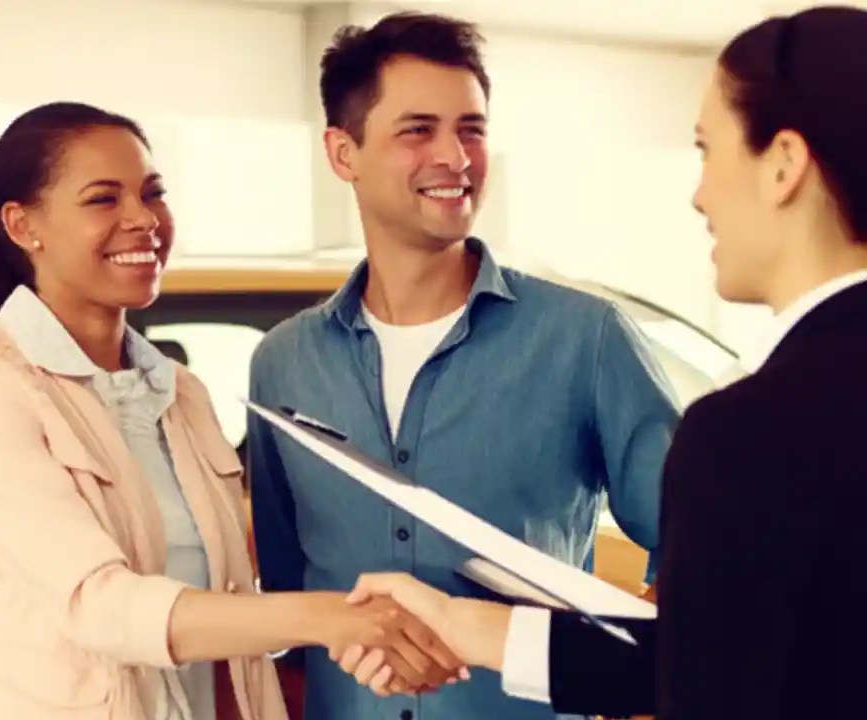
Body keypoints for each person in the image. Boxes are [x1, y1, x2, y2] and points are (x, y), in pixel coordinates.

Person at [339, 6, 867, 719]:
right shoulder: (286, 360)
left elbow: (712, 678)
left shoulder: (749, 436)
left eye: (707, 149)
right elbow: (721, 649)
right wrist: (467, 626)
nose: (698, 193)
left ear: (783, 165)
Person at [0, 101, 462, 720]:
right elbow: (97, 606)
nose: (142, 219)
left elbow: (226, 604)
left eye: (153, 193)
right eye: (103, 199)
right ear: (22, 224)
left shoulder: (178, 392)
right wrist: (329, 617)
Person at [246, 11, 680, 720]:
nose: (456, 155)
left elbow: (693, 541)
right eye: (417, 130)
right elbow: (291, 595)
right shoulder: (284, 364)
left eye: (471, 128)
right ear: (342, 152)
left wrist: (626, 673)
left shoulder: (586, 339)